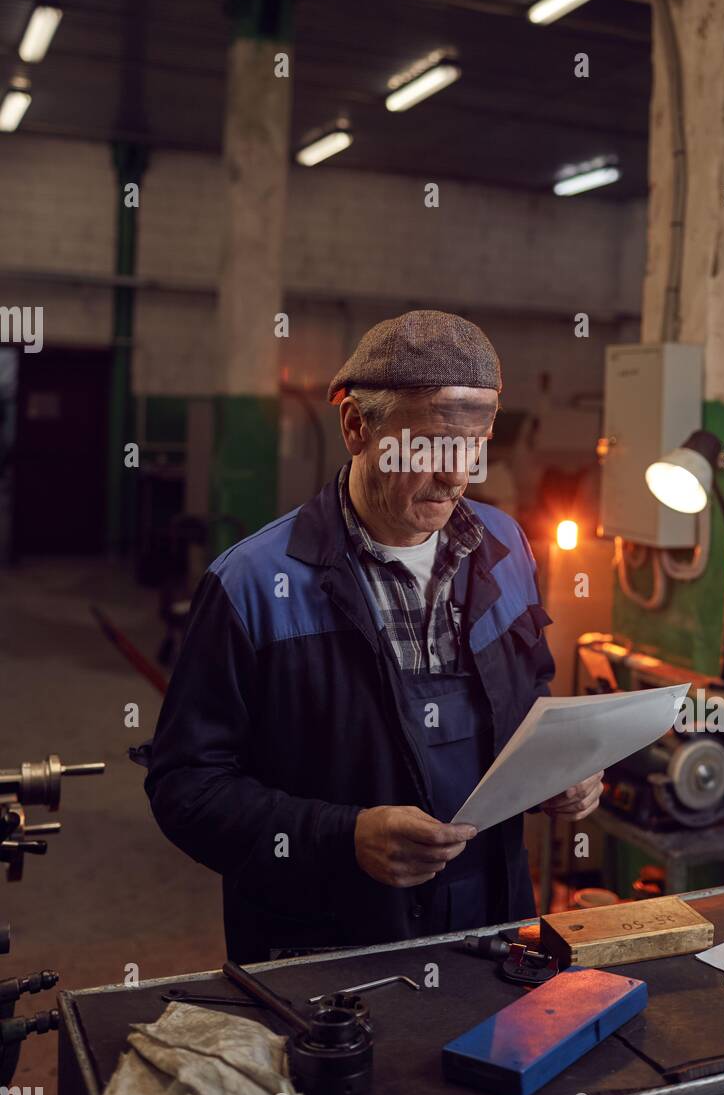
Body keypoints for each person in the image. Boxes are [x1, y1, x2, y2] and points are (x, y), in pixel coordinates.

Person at [145, 310, 603, 963]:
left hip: (492, 930)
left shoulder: (505, 548)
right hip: (326, 951)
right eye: (432, 445)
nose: (457, 476)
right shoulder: (253, 584)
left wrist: (561, 769)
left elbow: (529, 697)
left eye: (475, 446)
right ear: (357, 427)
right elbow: (185, 786)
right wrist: (341, 837)